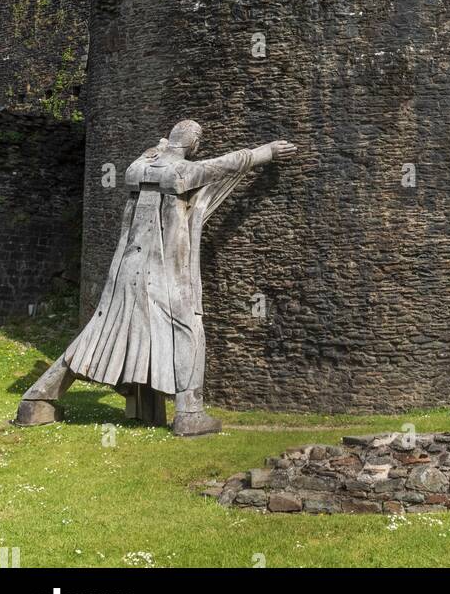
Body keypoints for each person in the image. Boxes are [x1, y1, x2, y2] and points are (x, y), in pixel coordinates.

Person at [15, 120, 296, 436]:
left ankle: (37, 399)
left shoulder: (138, 168)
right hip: (164, 274)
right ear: (194, 143)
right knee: (189, 332)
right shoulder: (183, 172)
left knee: (100, 332)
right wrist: (266, 152)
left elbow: (150, 158)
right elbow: (227, 163)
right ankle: (189, 413)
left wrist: (162, 147)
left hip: (126, 269)